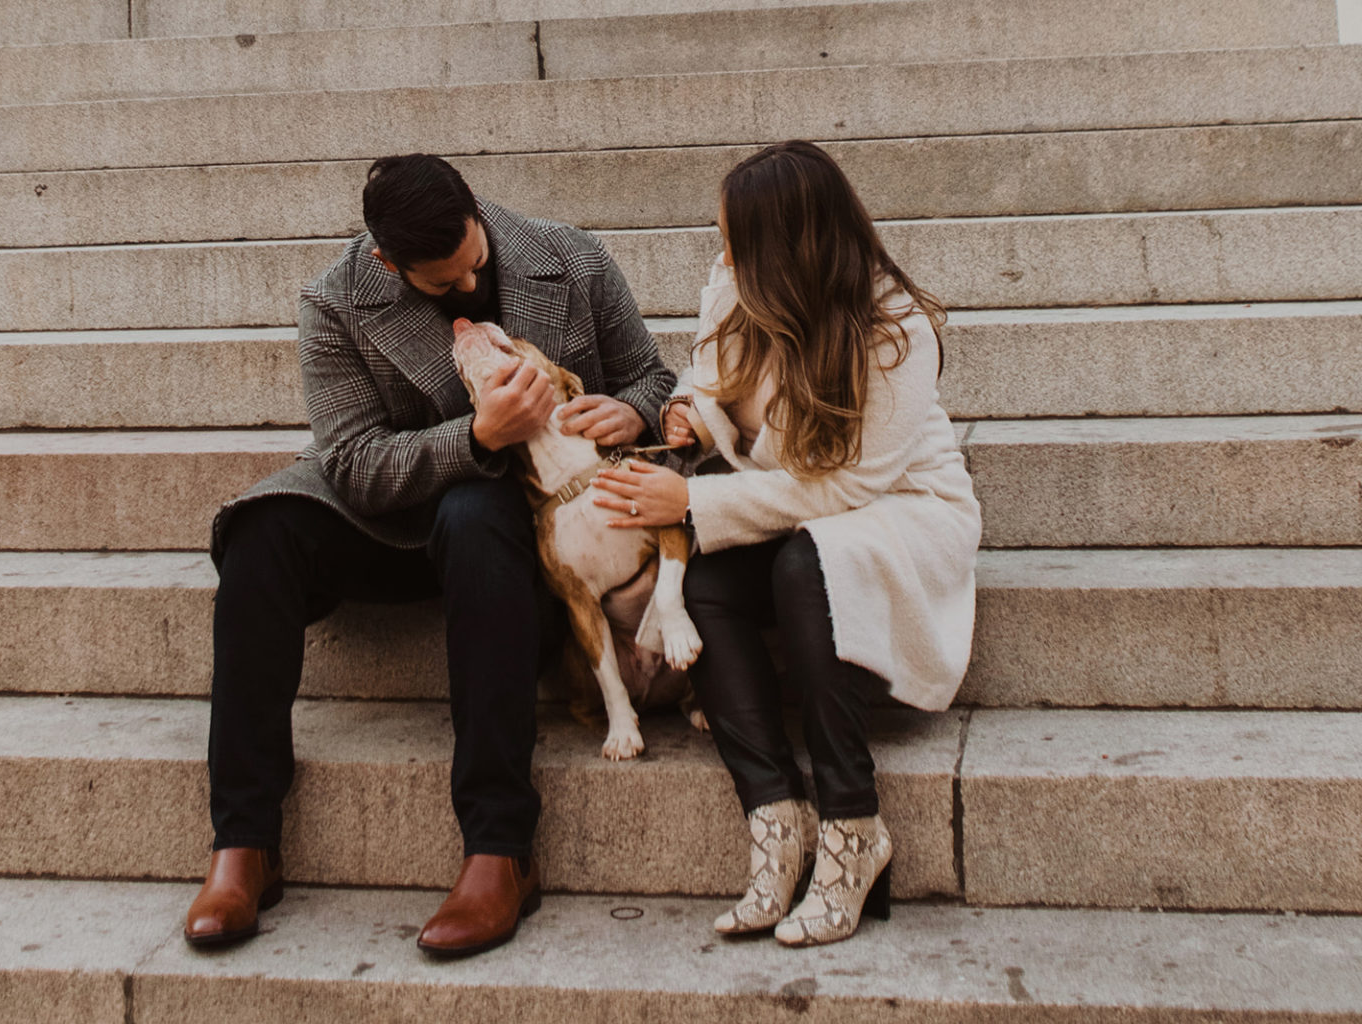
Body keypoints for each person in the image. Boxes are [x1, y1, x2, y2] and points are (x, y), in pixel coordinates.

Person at [183, 153, 676, 956]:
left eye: (475, 266)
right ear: (388, 262)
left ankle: (499, 848)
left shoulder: (572, 256)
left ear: (477, 214)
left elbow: (653, 377)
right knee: (259, 529)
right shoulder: (334, 301)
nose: (466, 289)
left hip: (529, 527)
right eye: (440, 286)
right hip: (398, 520)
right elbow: (353, 463)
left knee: (480, 511)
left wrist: (626, 410)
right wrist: (479, 437)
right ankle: (243, 843)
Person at [590, 140, 981, 947]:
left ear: (787, 245)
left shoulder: (894, 329)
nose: (722, 250)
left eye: (735, 236)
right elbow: (708, 372)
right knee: (707, 583)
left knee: (812, 562)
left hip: (901, 507)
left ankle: (852, 823)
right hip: (784, 499)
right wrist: (692, 412)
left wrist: (690, 497)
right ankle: (773, 813)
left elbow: (847, 485)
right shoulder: (736, 282)